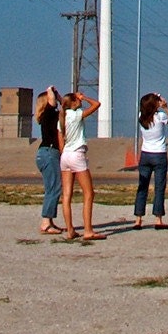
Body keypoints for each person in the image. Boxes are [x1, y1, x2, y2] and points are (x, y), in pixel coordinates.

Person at [59, 90, 106, 241]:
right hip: (76, 154)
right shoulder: (75, 114)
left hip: (65, 155)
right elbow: (97, 104)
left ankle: (70, 230)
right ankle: (88, 230)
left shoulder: (62, 117)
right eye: (77, 99)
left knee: (67, 195)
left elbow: (60, 138)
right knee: (89, 193)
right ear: (73, 103)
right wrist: (84, 98)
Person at [133, 92, 168, 229]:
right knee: (159, 187)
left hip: (145, 154)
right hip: (159, 154)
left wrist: (154, 100)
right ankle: (158, 219)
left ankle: (138, 219)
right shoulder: (160, 117)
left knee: (142, 187)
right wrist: (165, 106)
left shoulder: (141, 117)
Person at [34, 86, 63, 234]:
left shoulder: (47, 116)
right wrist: (53, 91)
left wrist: (58, 98)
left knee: (51, 188)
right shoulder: (48, 113)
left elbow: (66, 106)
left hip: (45, 153)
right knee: (54, 187)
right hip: (49, 153)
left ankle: (50, 220)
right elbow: (54, 100)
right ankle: (46, 222)